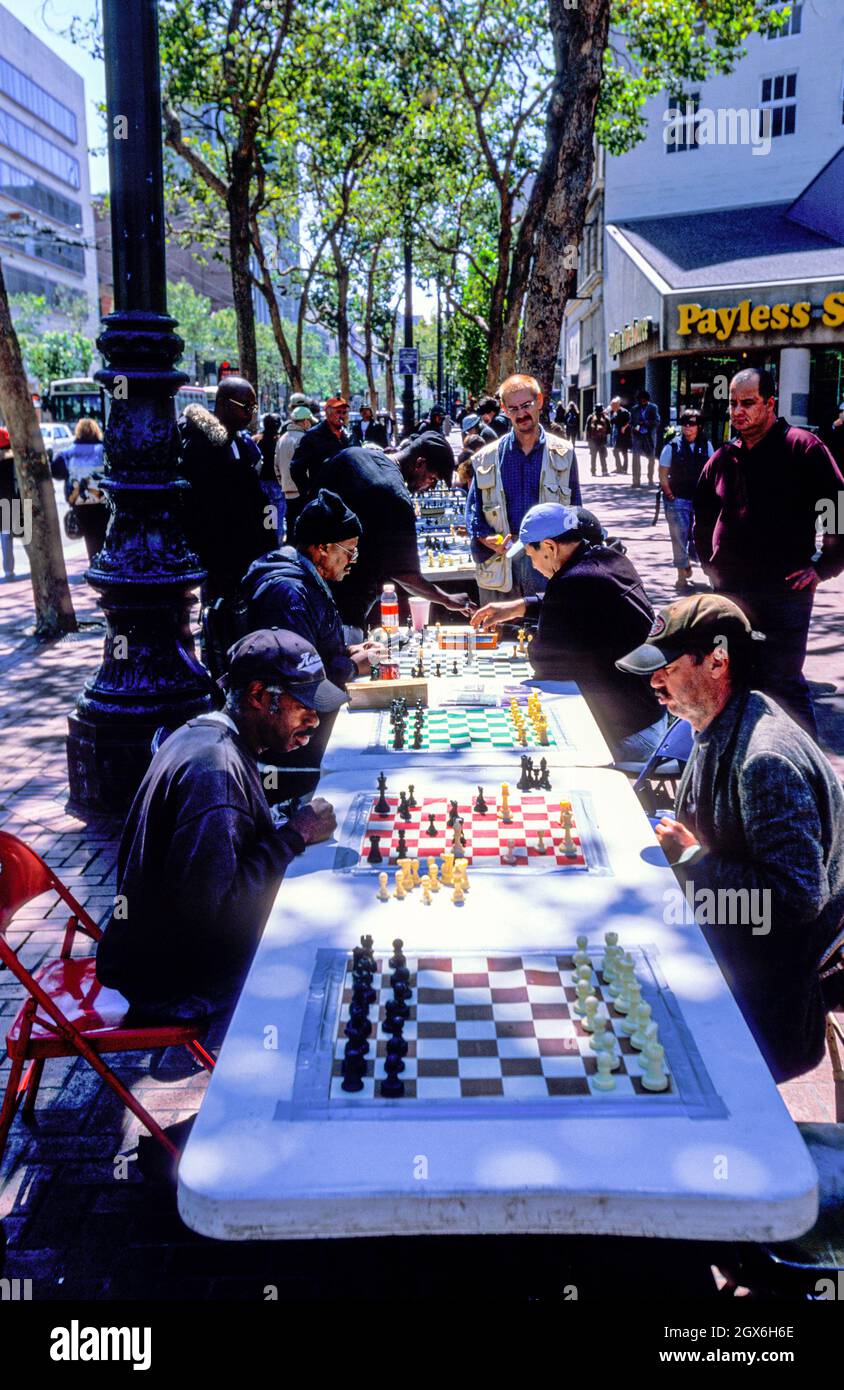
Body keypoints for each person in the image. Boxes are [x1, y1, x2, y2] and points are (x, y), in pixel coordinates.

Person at [616, 593, 844, 1083]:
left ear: (719, 661)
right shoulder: (723, 717)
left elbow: (798, 898)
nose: (655, 682)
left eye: (667, 668)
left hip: (775, 989)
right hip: (740, 938)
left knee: (633, 1035)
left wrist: (694, 859)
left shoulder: (764, 761)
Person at [95, 629, 343, 1024]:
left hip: (163, 953)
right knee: (330, 956)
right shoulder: (215, 773)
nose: (315, 719)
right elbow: (217, 916)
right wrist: (294, 834)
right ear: (259, 696)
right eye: (305, 705)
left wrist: (284, 829)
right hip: (176, 981)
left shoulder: (209, 733)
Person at [693, 367, 844, 737]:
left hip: (784, 593)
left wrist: (825, 567)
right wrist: (709, 564)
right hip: (730, 595)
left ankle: (810, 779)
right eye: (733, 403)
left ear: (770, 403)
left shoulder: (803, 448)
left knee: (783, 685)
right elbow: (702, 509)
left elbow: (837, 506)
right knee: (731, 681)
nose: (737, 411)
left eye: (748, 403)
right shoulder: (725, 457)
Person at [472, 503, 667, 761]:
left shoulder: (573, 582)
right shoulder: (608, 560)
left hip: (631, 735)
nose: (532, 564)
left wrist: (533, 639)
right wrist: (519, 607)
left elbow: (543, 663)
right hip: (653, 718)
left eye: (531, 555)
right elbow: (578, 605)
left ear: (550, 548)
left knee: (517, 739)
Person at [312, 433, 476, 631]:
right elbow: (406, 574)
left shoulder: (353, 455)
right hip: (347, 602)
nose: (428, 487)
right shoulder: (395, 497)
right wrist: (447, 599)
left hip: (313, 580)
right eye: (432, 479)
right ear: (419, 463)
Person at [465, 373, 582, 605]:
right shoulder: (485, 459)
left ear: (539, 401)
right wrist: (486, 537)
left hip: (548, 565)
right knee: (499, 635)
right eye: (513, 408)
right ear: (504, 410)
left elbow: (576, 513)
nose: (521, 414)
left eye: (526, 405)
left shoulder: (565, 454)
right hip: (500, 566)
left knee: (547, 635)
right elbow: (473, 514)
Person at [242, 490, 377, 690]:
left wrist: (346, 652)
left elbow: (313, 650)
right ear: (323, 548)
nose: (353, 560)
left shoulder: (306, 581)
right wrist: (352, 667)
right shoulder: (289, 596)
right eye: (349, 551)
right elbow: (301, 673)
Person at [179, 376, 270, 604]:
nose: (250, 413)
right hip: (220, 552)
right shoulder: (199, 445)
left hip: (244, 550)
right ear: (222, 403)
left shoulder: (238, 441)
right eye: (245, 406)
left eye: (253, 407)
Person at [658, 410, 714, 592]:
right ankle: (681, 574)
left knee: (703, 538)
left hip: (700, 501)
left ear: (699, 426)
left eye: (692, 424)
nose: (687, 428)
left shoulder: (707, 446)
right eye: (685, 424)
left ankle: (709, 574)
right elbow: (663, 473)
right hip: (678, 500)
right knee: (679, 538)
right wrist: (669, 494)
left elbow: (712, 472)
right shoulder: (672, 446)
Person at [55, 418, 110, 563]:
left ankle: (94, 563)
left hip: (79, 501)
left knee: (90, 536)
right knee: (104, 533)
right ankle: (103, 564)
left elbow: (56, 472)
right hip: (103, 501)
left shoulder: (68, 453)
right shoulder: (105, 450)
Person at [289, 396, 351, 503]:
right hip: (323, 498)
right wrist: (307, 491)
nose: (342, 415)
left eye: (344, 412)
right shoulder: (312, 436)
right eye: (338, 412)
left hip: (346, 496)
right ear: (328, 413)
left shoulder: (349, 435)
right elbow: (296, 467)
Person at [275, 404, 315, 540]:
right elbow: (307, 467)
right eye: (309, 421)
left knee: (290, 526)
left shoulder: (282, 439)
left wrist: (283, 483)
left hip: (287, 490)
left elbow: (276, 466)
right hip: (303, 492)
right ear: (304, 421)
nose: (310, 424)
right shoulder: (304, 438)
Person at [253, 412, 283, 544]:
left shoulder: (257, 440)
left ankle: (267, 544)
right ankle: (275, 545)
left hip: (262, 485)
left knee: (267, 518)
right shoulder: (280, 441)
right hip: (277, 485)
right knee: (277, 519)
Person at [629, 389, 661, 488]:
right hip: (637, 436)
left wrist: (645, 423)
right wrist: (635, 426)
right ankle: (636, 481)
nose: (643, 401)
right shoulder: (634, 409)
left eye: (645, 400)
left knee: (651, 458)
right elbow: (631, 422)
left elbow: (657, 421)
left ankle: (650, 479)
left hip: (649, 436)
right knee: (635, 458)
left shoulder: (653, 408)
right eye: (641, 400)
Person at [0, 432, 18, 579]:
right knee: (27, 536)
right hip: (17, 499)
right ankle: (34, 564)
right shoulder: (15, 459)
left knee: (6, 537)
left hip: (3, 502)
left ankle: (8, 570)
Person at [585, 402, 610, 477]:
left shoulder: (591, 417)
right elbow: (609, 430)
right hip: (602, 440)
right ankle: (604, 471)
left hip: (593, 440)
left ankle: (593, 471)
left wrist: (588, 440)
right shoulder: (605, 418)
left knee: (593, 457)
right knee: (602, 457)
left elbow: (587, 429)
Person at [608, 397, 630, 474]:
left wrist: (624, 427)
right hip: (616, 435)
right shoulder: (614, 412)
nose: (612, 407)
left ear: (617, 405)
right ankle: (619, 467)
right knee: (615, 451)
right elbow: (612, 421)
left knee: (624, 452)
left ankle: (624, 468)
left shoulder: (624, 412)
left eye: (613, 405)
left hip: (624, 436)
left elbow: (630, 421)